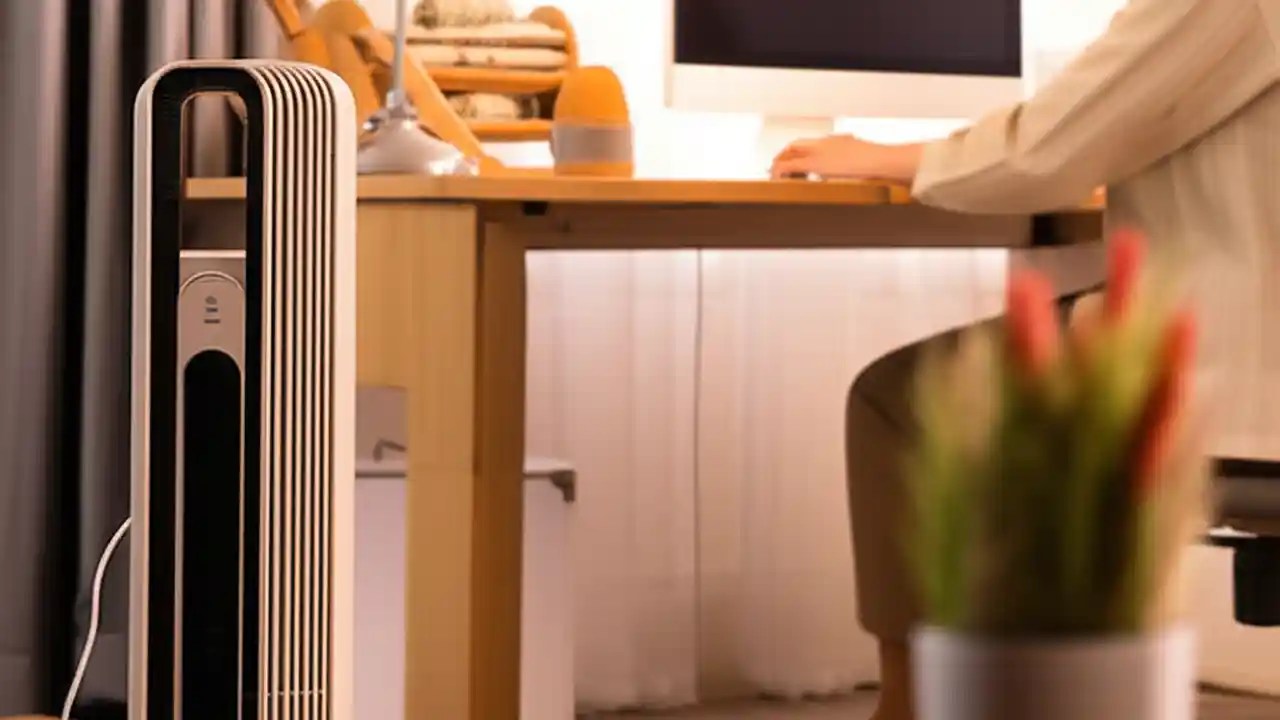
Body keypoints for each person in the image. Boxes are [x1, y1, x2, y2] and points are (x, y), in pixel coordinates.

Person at [771, 0, 1280, 718]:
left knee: (901, 395)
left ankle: (916, 704)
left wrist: (886, 157)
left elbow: (1046, 150)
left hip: (1240, 365)